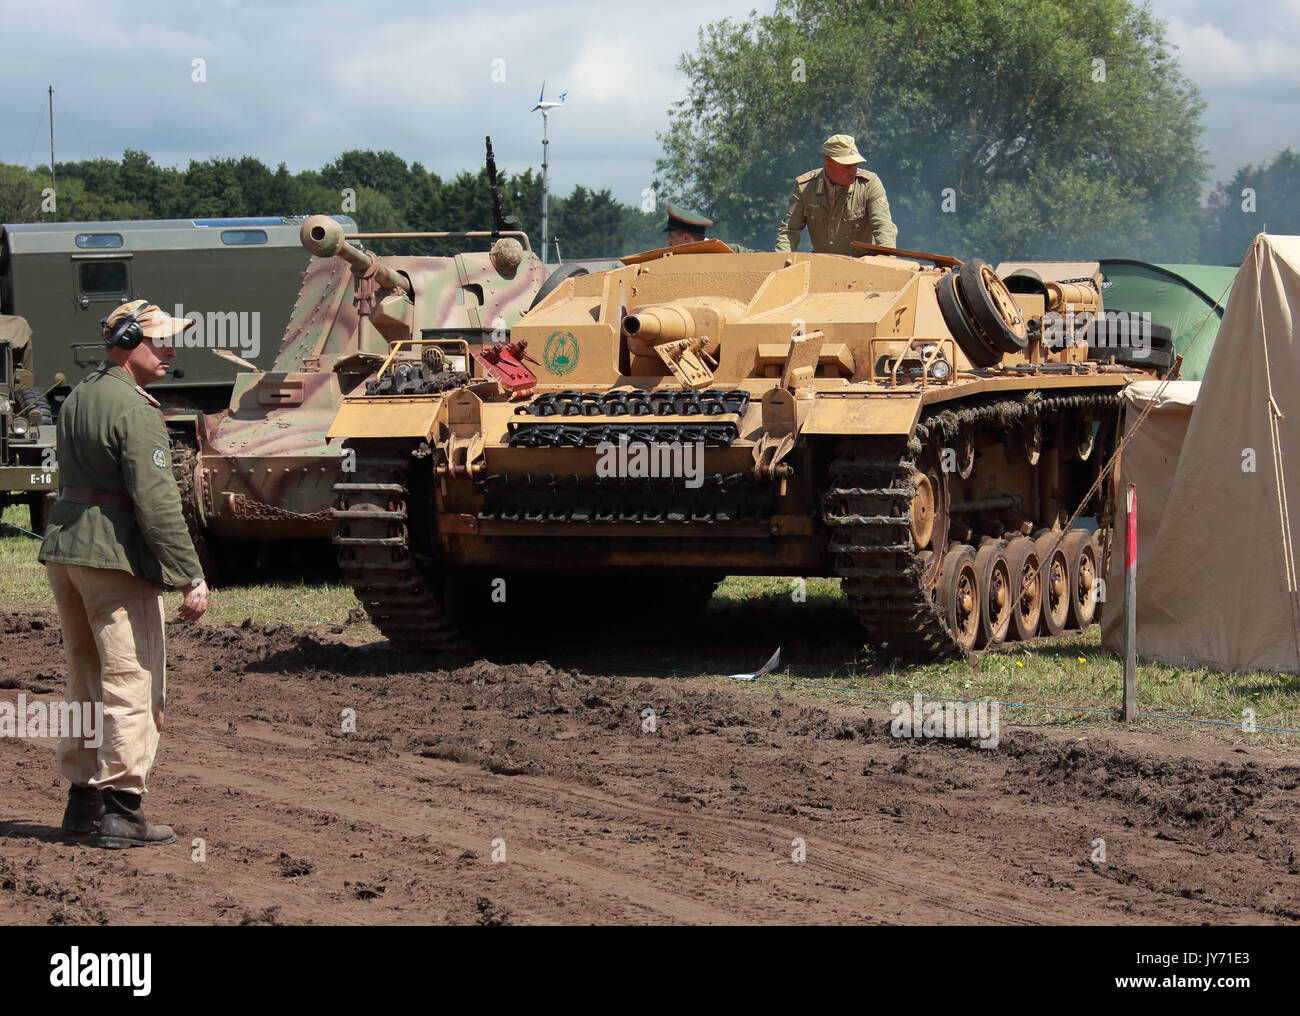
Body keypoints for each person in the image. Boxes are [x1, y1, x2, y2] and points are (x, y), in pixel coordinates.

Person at [39, 299, 209, 848]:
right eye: (160, 342)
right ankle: (122, 810)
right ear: (131, 342)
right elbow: (157, 503)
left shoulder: (81, 395)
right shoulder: (137, 409)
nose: (170, 351)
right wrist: (189, 574)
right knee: (133, 680)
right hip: (113, 557)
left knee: (86, 678)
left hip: (66, 551)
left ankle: (83, 803)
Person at [775, 133, 898, 255]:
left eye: (856, 165)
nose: (853, 171)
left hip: (861, 265)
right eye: (847, 166)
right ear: (829, 163)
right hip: (822, 264)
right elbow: (789, 230)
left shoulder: (869, 184)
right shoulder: (805, 187)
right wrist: (780, 263)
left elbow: (883, 227)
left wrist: (885, 260)